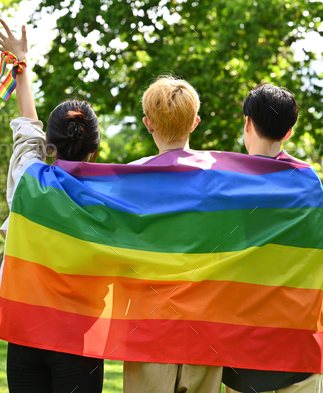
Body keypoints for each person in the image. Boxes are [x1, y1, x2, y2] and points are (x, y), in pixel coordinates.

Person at [0, 19, 104, 393]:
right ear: (94, 150)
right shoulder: (107, 200)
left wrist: (22, 65)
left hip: (23, 337)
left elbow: (26, 129)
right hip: (78, 342)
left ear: (49, 145)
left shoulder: (27, 180)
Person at [123, 76, 223, 393]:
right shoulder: (222, 178)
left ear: (147, 123)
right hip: (206, 326)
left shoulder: (127, 179)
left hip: (147, 324)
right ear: (195, 123)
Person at [222, 83, 323, 393]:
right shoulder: (307, 181)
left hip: (243, 346)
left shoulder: (228, 183)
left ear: (247, 123)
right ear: (289, 132)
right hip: (299, 345)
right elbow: (320, 257)